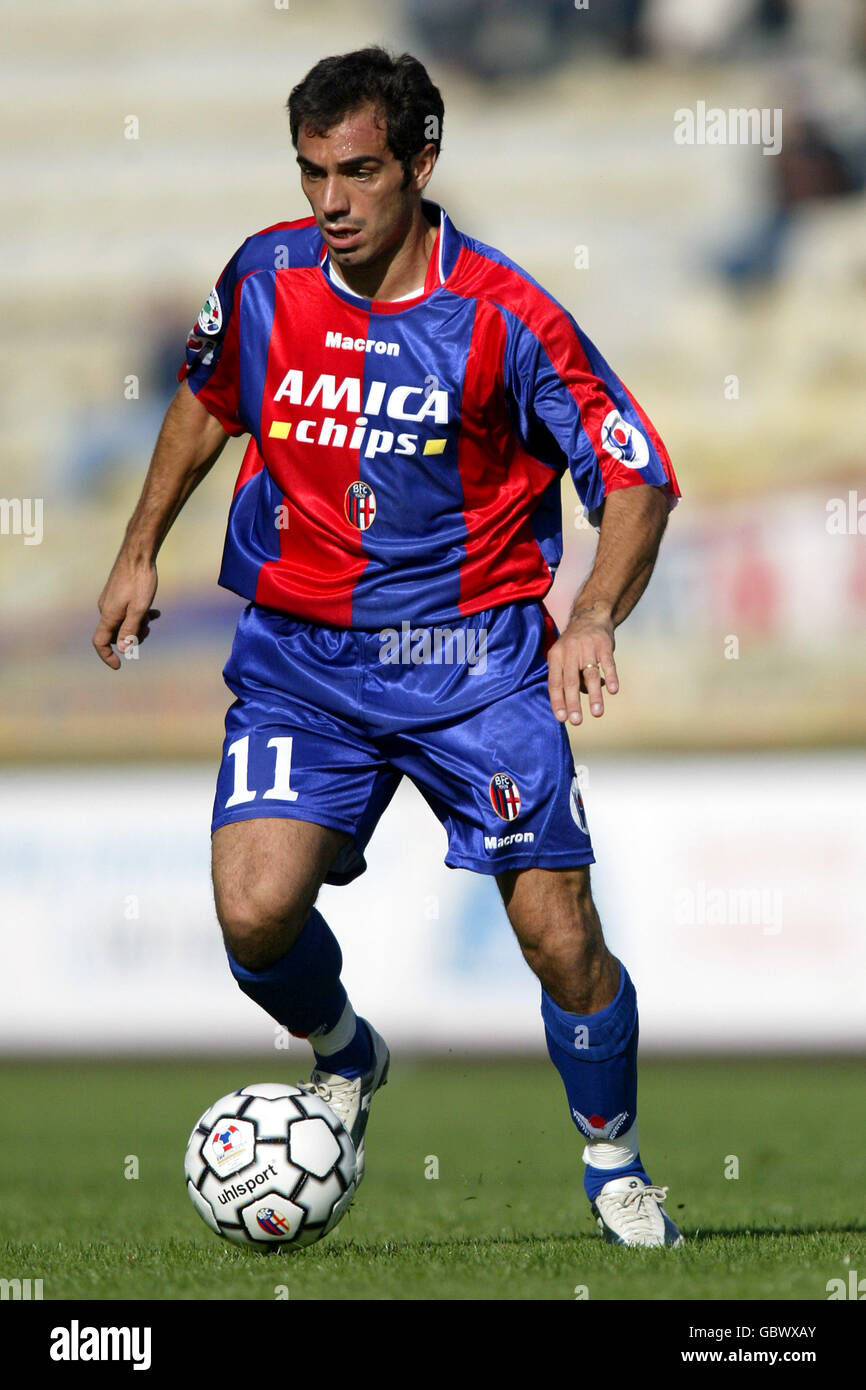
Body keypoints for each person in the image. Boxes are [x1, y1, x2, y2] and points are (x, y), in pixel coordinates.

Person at [93, 46, 682, 1248]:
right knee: (254, 917)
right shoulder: (265, 278)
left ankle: (614, 1166)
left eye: (358, 171)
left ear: (421, 162)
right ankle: (346, 1052)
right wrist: (140, 543)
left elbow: (636, 478)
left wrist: (588, 617)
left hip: (474, 664)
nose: (330, 202)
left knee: (557, 936)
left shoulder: (505, 317)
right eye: (312, 172)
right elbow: (209, 398)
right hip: (303, 659)